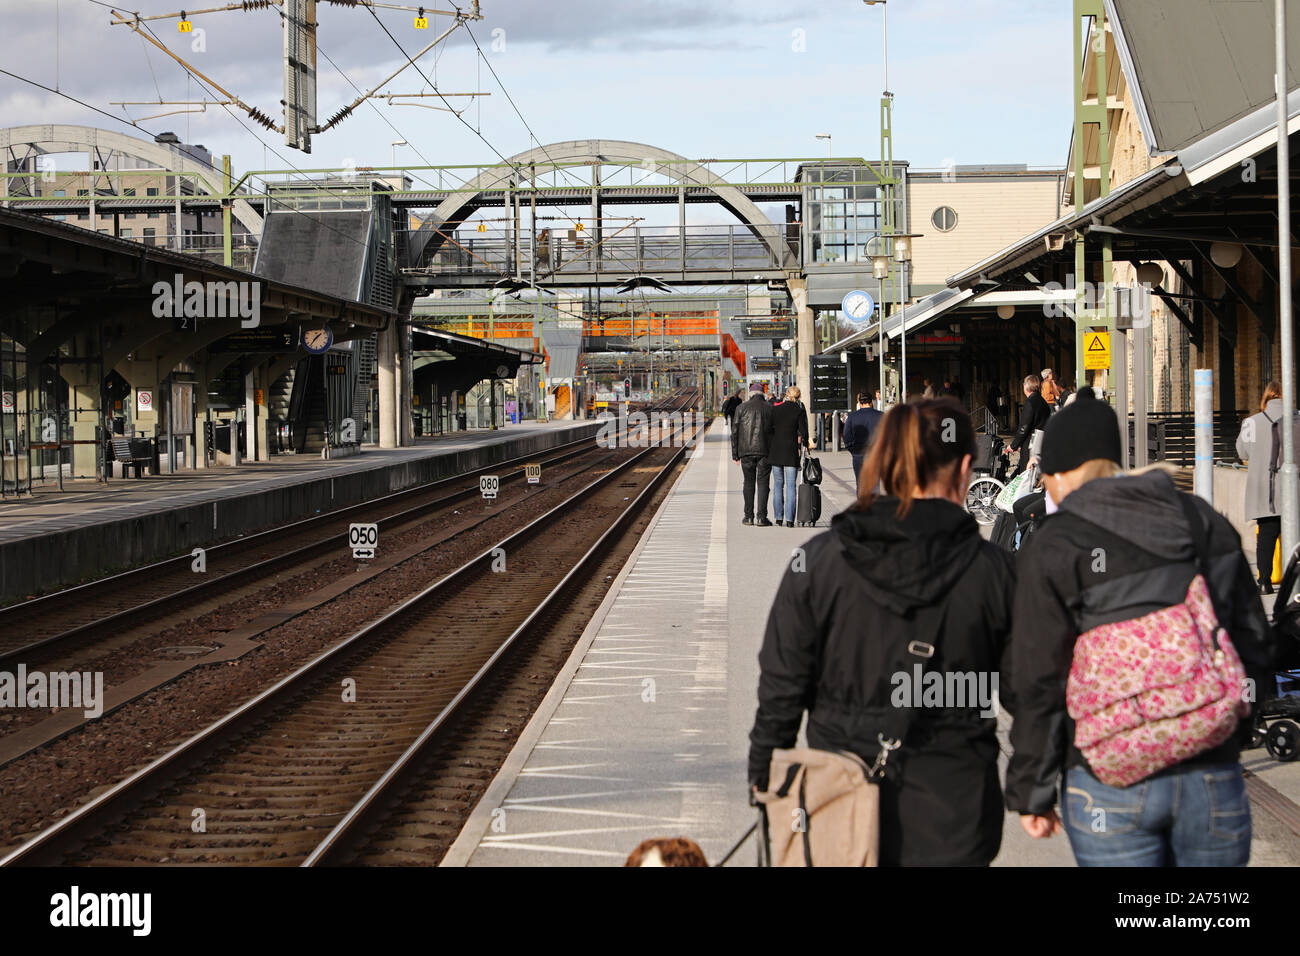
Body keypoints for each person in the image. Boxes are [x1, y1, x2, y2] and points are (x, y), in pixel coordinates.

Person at [1005, 394, 1275, 867]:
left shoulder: (1054, 544)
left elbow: (1036, 677)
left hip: (1106, 777)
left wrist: (1034, 787)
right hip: (1208, 768)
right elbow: (1250, 638)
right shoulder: (1197, 519)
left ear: (1061, 473)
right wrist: (1232, 730)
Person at [749, 398, 1016, 866]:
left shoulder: (816, 563)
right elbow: (1034, 686)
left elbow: (783, 685)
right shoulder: (995, 572)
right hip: (956, 806)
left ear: (879, 462)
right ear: (965, 467)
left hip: (842, 800)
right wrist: (1035, 783)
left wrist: (764, 774)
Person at [1236, 380, 1300, 594]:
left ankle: (1264, 581)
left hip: (1265, 490)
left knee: (1266, 535)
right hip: (1295, 489)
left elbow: (1242, 453)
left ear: (1265, 397)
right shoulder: (1298, 419)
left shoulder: (1251, 423)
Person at [731, 383, 775, 526]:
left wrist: (735, 454)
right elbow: (774, 431)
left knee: (748, 483)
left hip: (746, 451)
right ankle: (762, 517)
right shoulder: (770, 408)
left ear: (750, 394)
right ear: (763, 394)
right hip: (765, 451)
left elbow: (735, 432)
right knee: (763, 483)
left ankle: (748, 516)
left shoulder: (741, 408)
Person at [766, 386, 809, 527]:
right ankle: (790, 520)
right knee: (791, 486)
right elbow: (803, 432)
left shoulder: (775, 409)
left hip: (776, 451)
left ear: (786, 395)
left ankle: (778, 518)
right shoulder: (799, 411)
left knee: (778, 485)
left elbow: (768, 429)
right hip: (791, 452)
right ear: (798, 397)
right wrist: (807, 444)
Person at [1008, 373, 1051, 478]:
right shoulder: (1043, 402)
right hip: (1041, 442)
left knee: (1026, 474)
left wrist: (1014, 445)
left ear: (1026, 386)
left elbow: (1024, 427)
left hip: (1030, 444)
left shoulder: (1030, 402)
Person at [843, 390, 884, 489]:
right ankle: (874, 503)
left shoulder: (852, 416)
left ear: (859, 403)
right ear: (871, 402)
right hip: (876, 454)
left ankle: (862, 503)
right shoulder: (881, 415)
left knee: (860, 485)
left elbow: (847, 436)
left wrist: (852, 450)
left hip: (859, 454)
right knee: (875, 485)